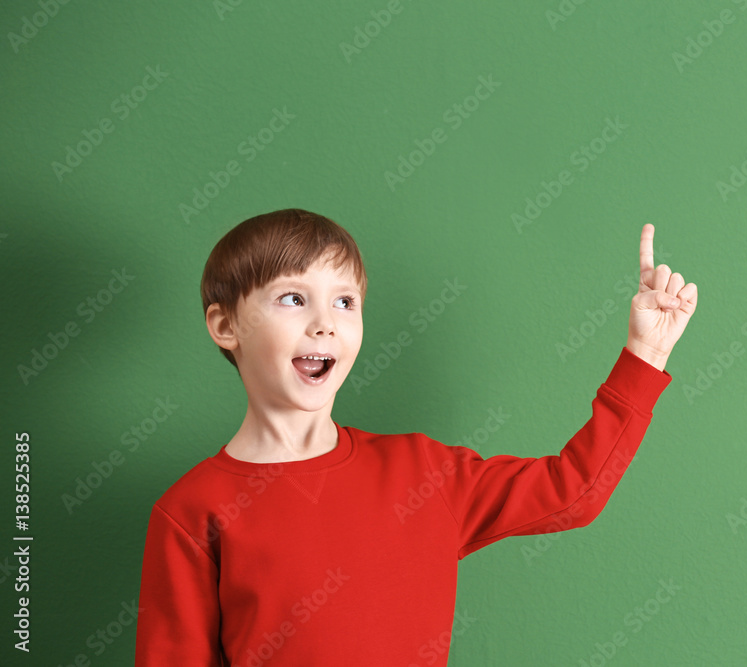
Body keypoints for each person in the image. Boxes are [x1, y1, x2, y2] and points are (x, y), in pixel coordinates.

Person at [134, 208, 698, 665]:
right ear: (225, 325)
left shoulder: (425, 472)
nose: (324, 321)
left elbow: (575, 490)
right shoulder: (190, 512)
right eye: (292, 297)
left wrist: (645, 355)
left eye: (345, 301)